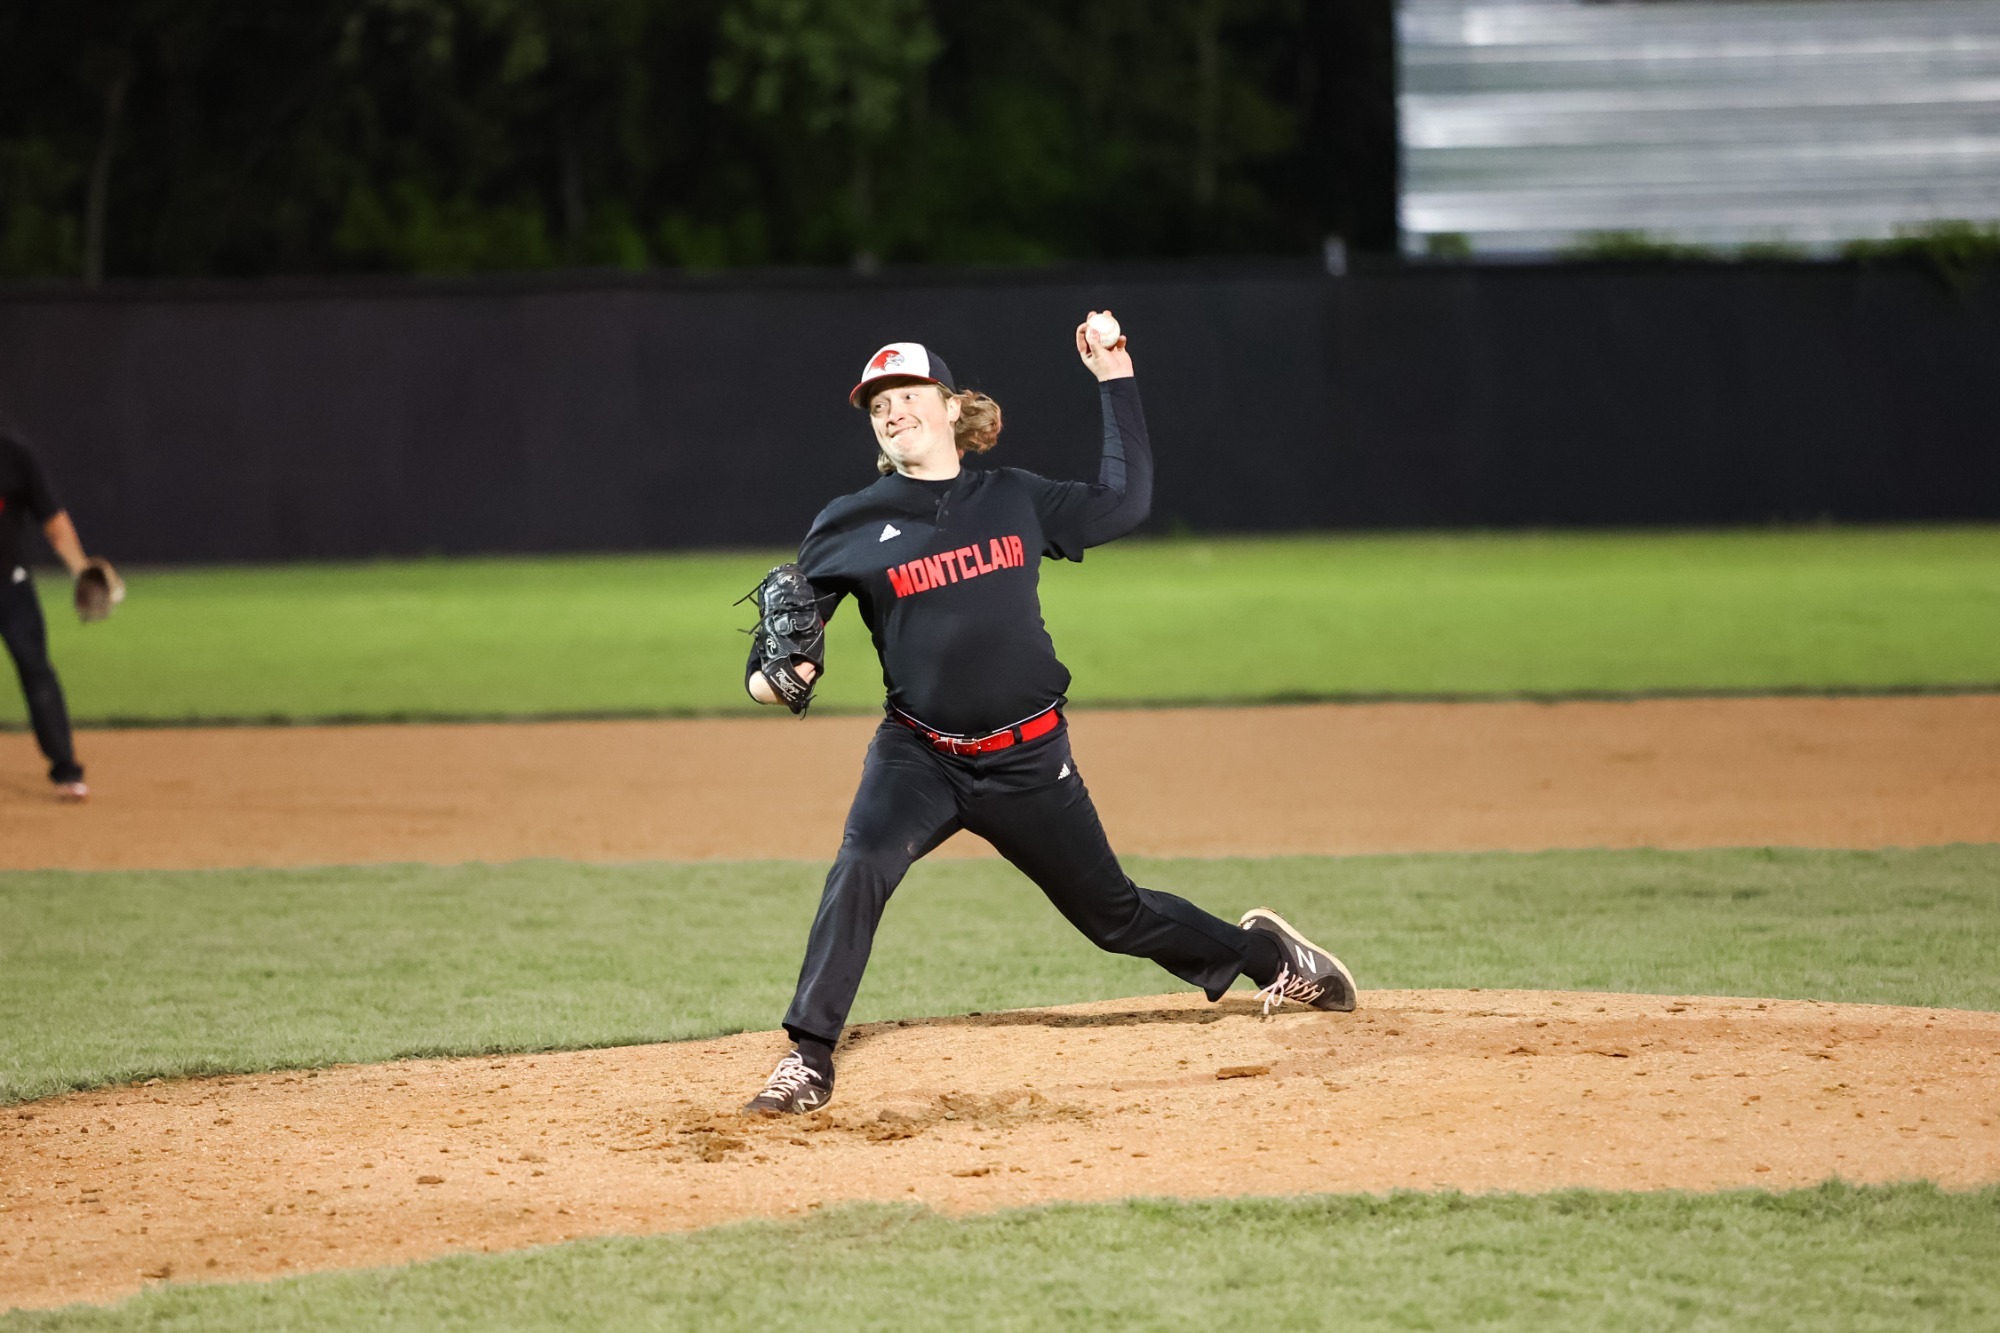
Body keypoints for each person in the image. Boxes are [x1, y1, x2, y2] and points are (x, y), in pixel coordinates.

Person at [738, 316, 1356, 1115]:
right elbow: (781, 658)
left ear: (951, 406)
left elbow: (1124, 502)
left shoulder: (1015, 497)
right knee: (861, 863)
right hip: (918, 754)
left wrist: (1115, 377)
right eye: (878, 404)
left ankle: (1263, 953)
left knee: (1116, 916)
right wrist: (777, 676)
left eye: (908, 394)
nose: (893, 412)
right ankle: (808, 1057)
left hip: (1029, 760)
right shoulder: (850, 522)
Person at [0, 430, 100, 801]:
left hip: (10, 586)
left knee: (35, 670)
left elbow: (54, 522)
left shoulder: (14, 455)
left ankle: (66, 770)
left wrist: (81, 570)